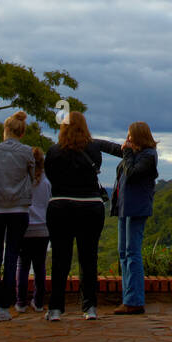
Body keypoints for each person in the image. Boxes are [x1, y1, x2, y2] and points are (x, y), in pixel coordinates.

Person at [43, 111, 114, 321]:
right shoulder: (93, 149)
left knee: (60, 258)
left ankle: (55, 308)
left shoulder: (54, 151)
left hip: (61, 206)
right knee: (89, 257)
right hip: (90, 206)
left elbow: (50, 177)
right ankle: (89, 306)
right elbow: (97, 169)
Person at [97, 122, 160, 314]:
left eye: (130, 136)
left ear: (139, 136)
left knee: (132, 253)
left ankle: (134, 300)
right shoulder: (136, 153)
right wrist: (90, 141)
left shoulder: (148, 156)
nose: (127, 139)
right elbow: (112, 147)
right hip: (125, 209)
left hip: (136, 209)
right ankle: (128, 298)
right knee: (124, 253)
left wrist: (127, 152)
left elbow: (131, 173)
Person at [0, 111, 36, 321]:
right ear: (22, 133)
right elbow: (32, 177)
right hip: (19, 209)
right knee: (12, 257)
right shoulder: (26, 152)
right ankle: (5, 307)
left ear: (5, 130)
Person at [15, 148, 51, 312]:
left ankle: (21, 302)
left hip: (24, 227)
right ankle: (38, 302)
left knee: (22, 265)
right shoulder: (46, 182)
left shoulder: (22, 181)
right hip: (42, 229)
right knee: (39, 266)